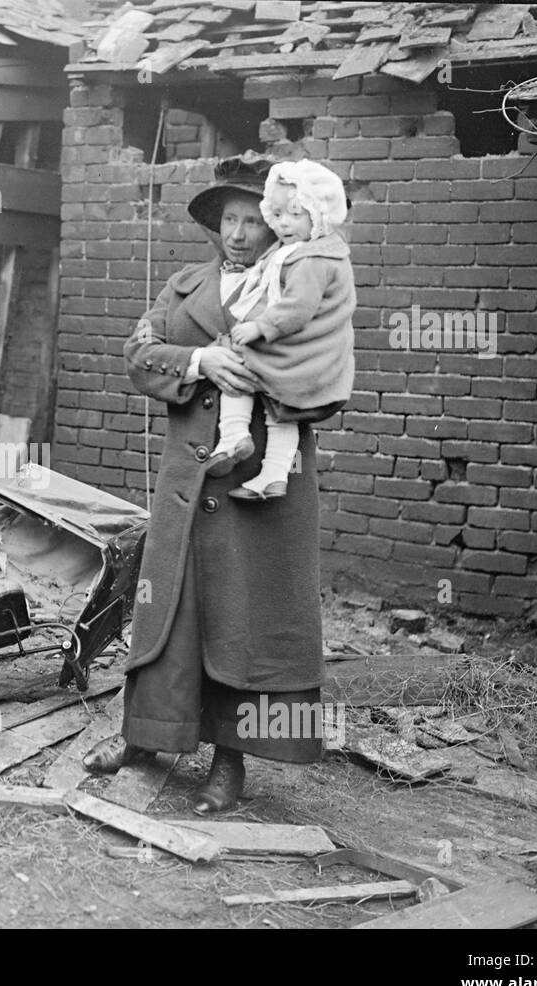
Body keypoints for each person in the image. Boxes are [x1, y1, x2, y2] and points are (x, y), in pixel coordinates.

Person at [83, 152, 332, 815]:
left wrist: (268, 381)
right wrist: (199, 359)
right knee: (166, 608)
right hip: (186, 481)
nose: (241, 233)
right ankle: (146, 737)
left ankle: (231, 761)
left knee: (246, 622)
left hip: (261, 488)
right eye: (230, 219)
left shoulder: (301, 290)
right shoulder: (183, 286)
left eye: (255, 220)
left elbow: (329, 381)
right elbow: (137, 355)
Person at [210, 158, 356, 501]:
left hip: (299, 351)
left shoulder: (311, 259)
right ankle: (274, 476)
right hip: (306, 361)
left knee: (239, 366)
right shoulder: (301, 251)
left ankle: (233, 436)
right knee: (281, 413)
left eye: (296, 214)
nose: (285, 224)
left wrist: (259, 327)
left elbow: (296, 309)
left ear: (318, 216)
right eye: (279, 215)